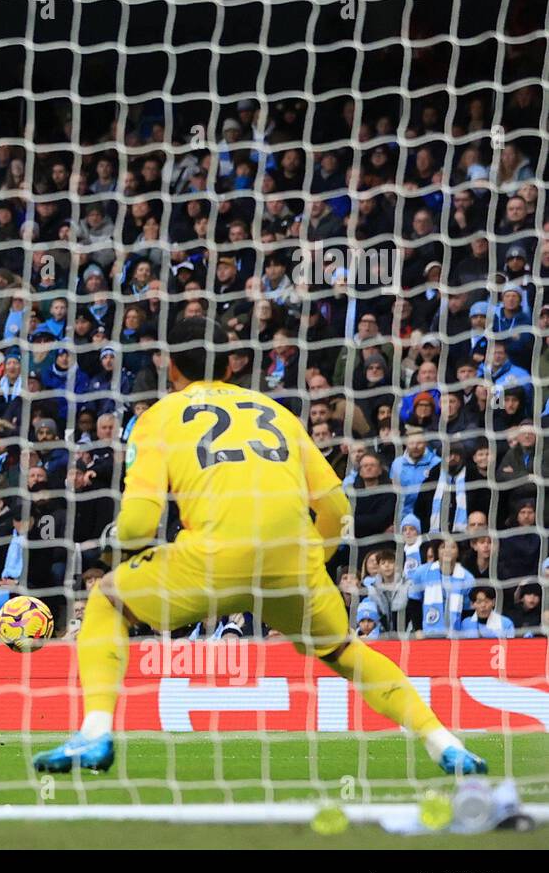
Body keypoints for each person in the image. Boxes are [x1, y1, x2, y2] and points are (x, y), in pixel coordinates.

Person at [33, 318, 488, 776]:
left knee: (107, 600)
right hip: (292, 560)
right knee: (345, 652)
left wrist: (117, 551)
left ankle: (94, 732)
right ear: (229, 366)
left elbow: (138, 523)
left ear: (170, 366)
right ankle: (443, 742)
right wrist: (313, 559)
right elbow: (335, 508)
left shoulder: (158, 418)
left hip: (215, 557)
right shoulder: (276, 412)